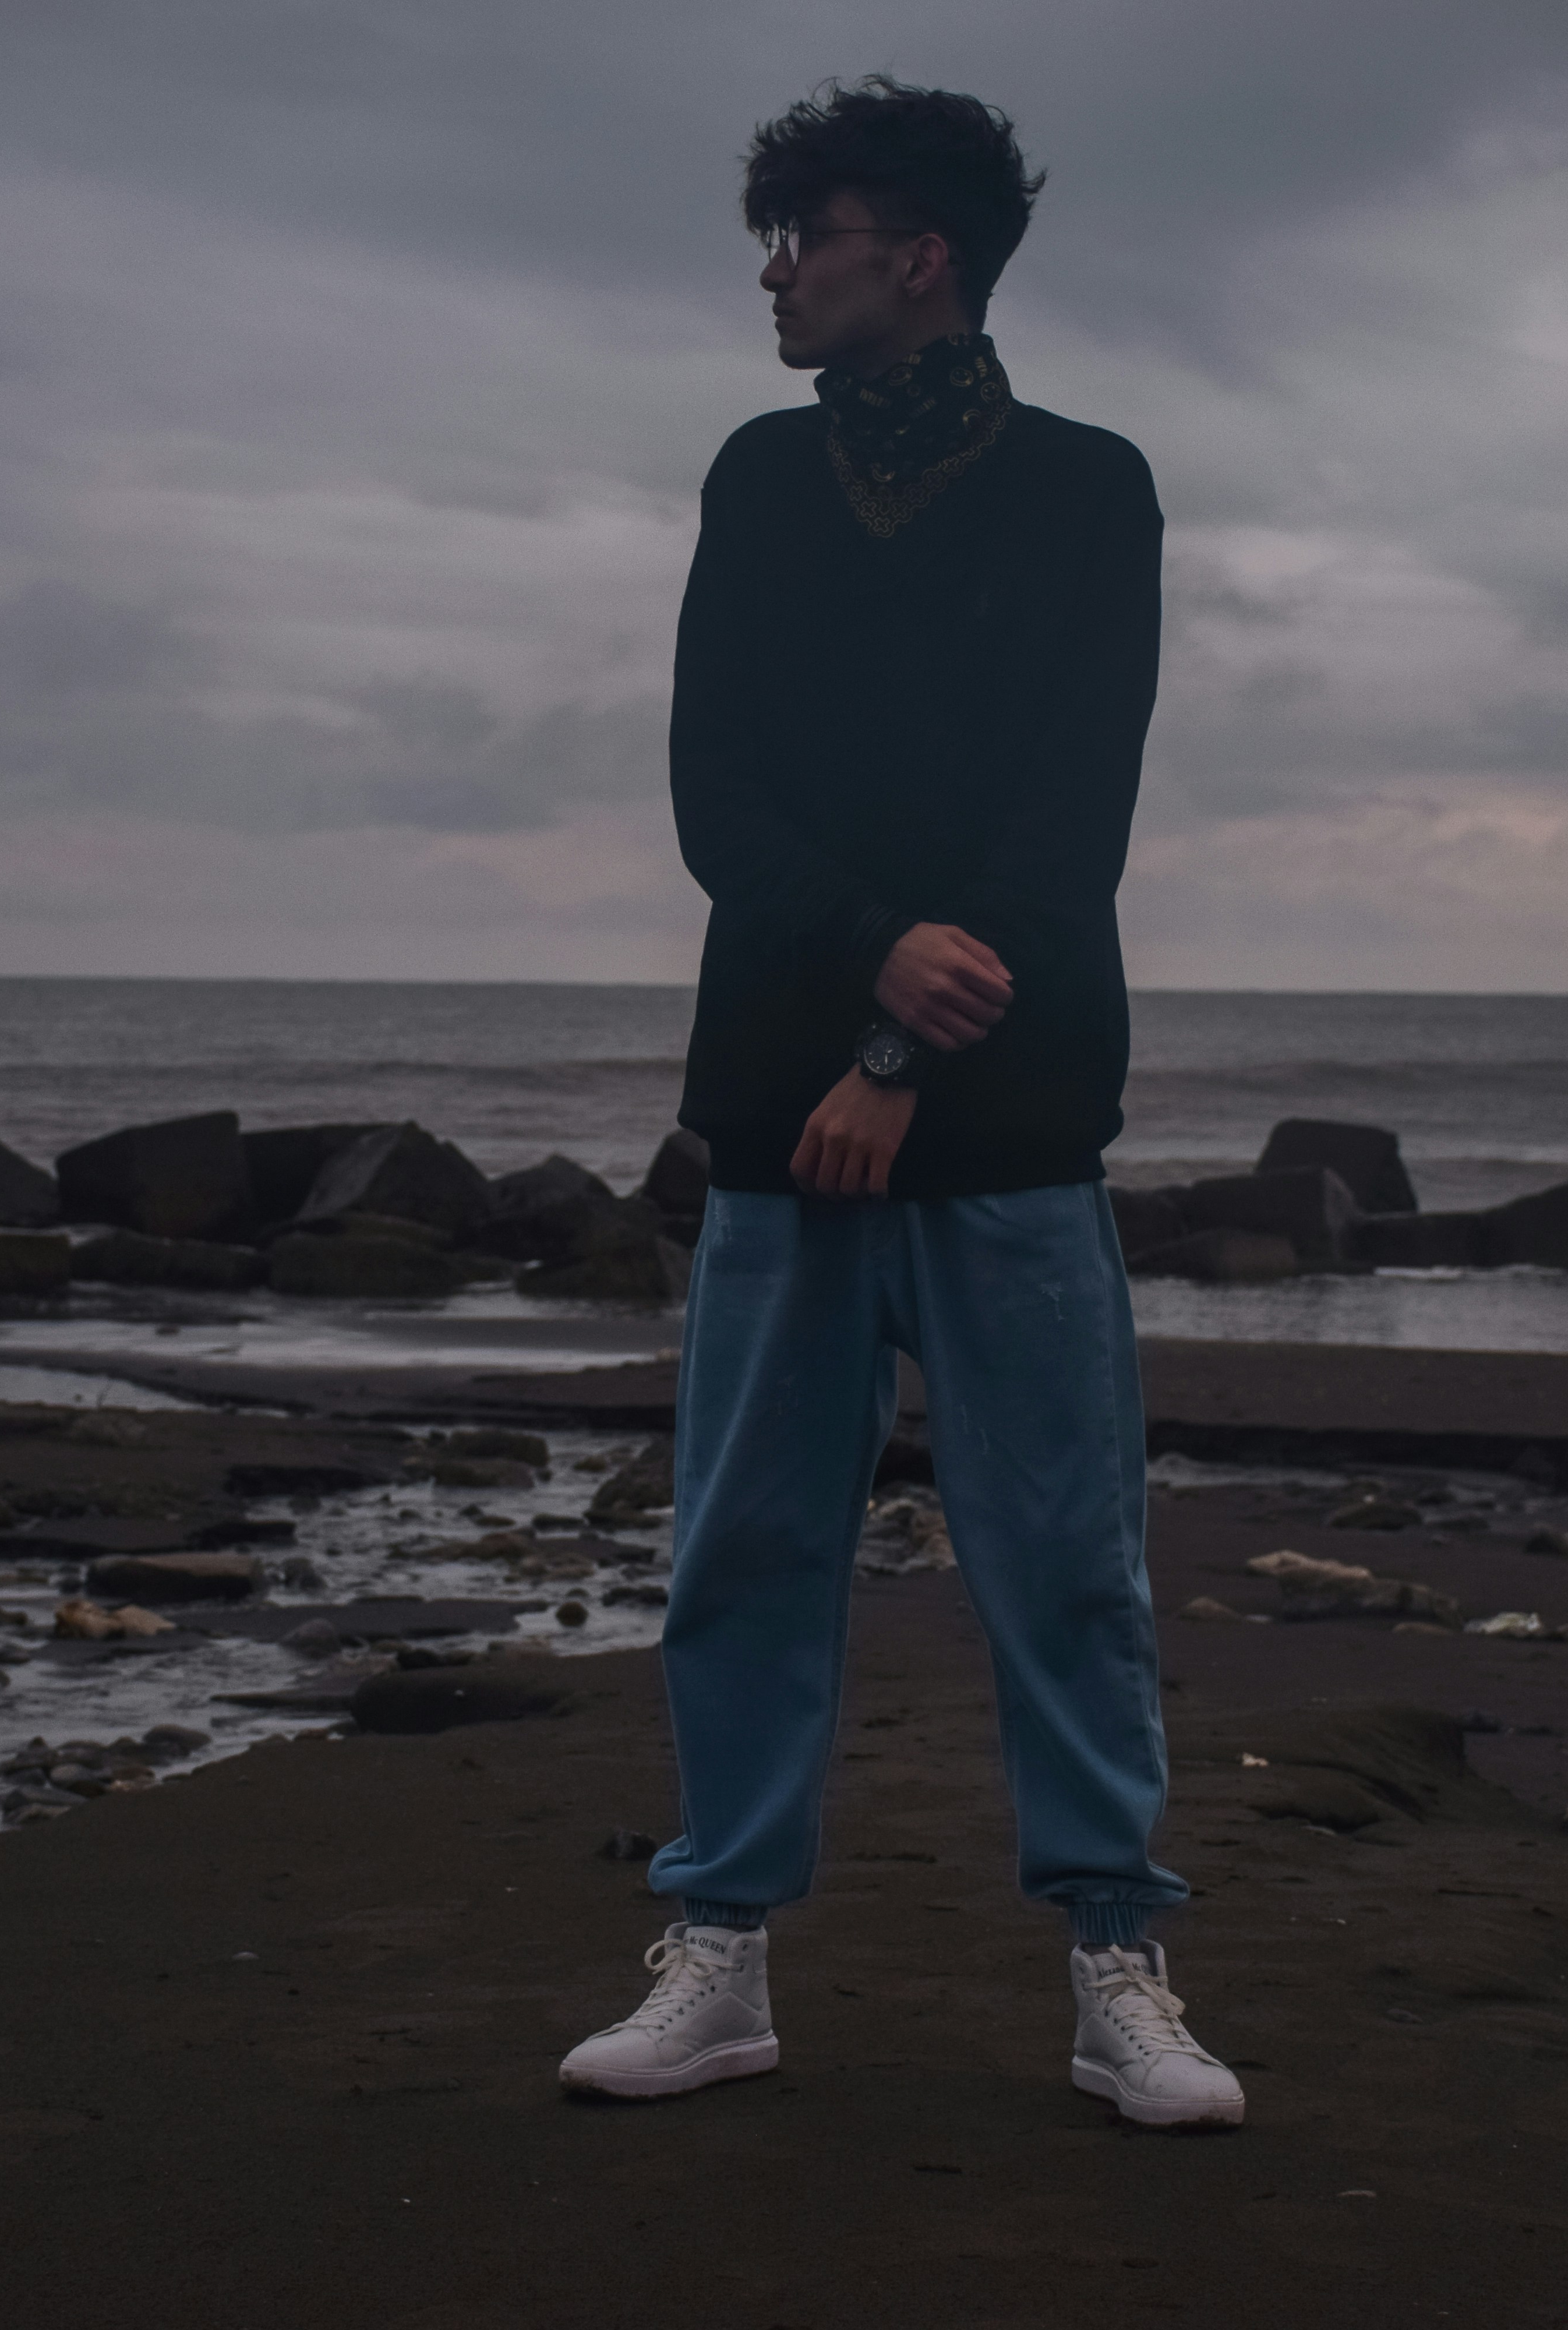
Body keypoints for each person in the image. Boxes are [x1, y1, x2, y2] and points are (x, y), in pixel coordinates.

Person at [557, 79, 1241, 2130]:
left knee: (1069, 1555)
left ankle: (1119, 1965)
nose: (776, 273)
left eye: (809, 236)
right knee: (747, 1547)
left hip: (1011, 1106)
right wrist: (860, 978)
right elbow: (717, 791)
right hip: (781, 1099)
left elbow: (1069, 814)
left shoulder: (1088, 489)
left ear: (917, 254)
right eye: (773, 242)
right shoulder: (758, 483)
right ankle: (723, 1956)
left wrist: (904, 1052)